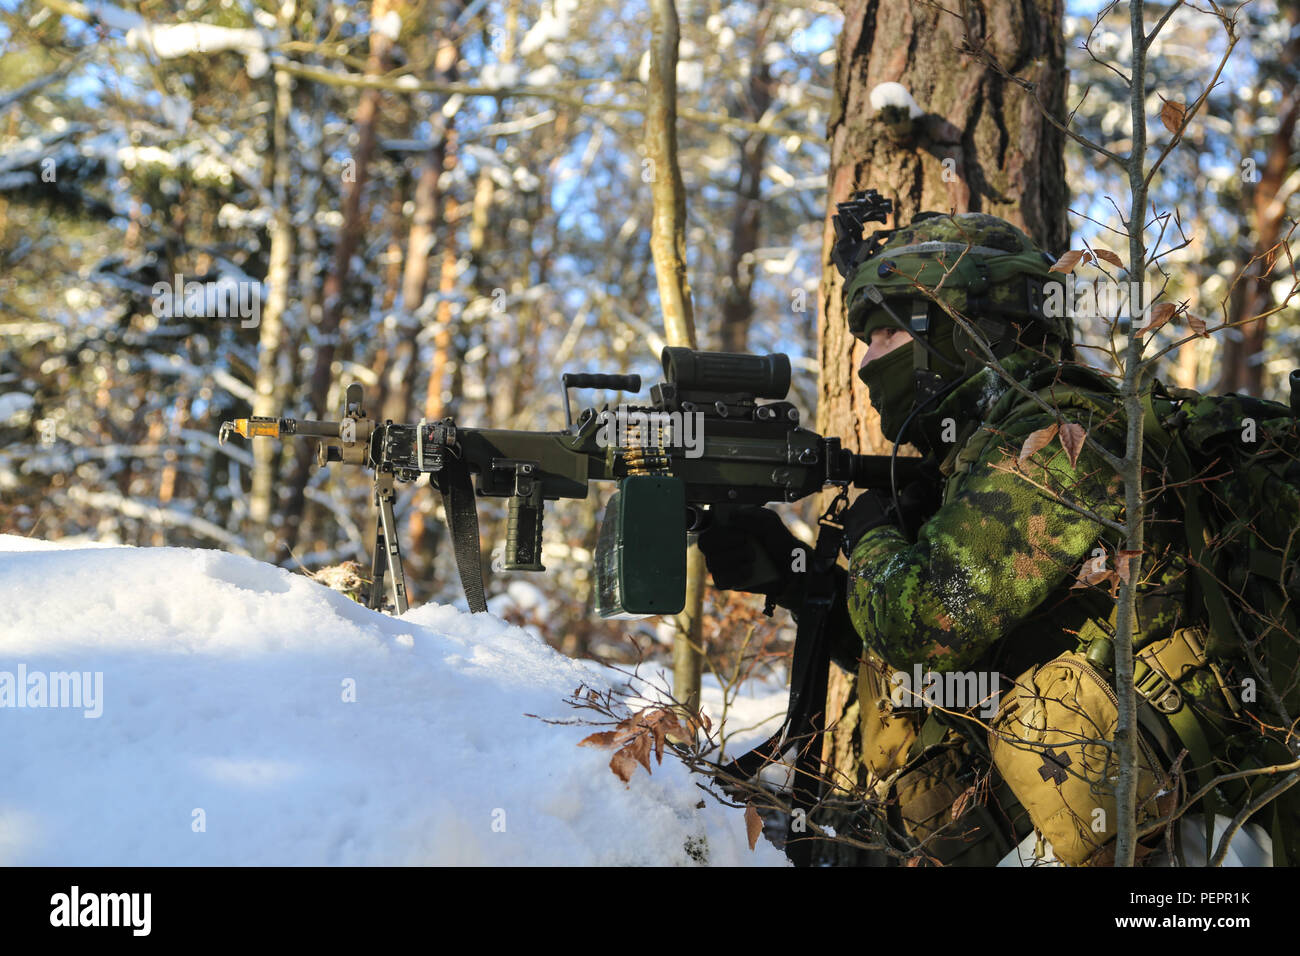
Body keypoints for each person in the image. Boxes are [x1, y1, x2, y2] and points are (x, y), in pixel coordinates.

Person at [700, 210, 1280, 866]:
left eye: (886, 330)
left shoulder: (1059, 437)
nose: (864, 363)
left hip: (1191, 836)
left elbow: (921, 625)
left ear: (962, 326)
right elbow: (939, 661)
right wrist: (799, 576)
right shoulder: (979, 459)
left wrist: (870, 536)